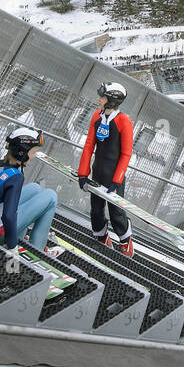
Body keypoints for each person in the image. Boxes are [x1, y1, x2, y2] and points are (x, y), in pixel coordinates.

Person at [0, 127, 61, 255]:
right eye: (33, 152)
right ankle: (38, 251)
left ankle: (19, 236)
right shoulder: (15, 176)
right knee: (51, 196)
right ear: (22, 152)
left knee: (35, 188)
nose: (34, 155)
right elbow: (8, 216)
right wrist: (12, 245)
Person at [77, 80, 134, 255]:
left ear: (111, 100)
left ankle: (125, 239)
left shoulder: (124, 121)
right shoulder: (96, 116)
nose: (98, 99)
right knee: (96, 209)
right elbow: (88, 145)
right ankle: (101, 237)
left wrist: (117, 180)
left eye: (102, 96)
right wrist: (83, 173)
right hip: (98, 172)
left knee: (116, 211)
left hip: (113, 175)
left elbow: (126, 154)